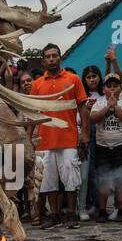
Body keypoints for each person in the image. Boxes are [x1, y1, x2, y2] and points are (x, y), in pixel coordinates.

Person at [30, 42, 85, 228]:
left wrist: (85, 134)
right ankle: (54, 215)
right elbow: (32, 114)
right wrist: (28, 138)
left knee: (71, 179)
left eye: (55, 55)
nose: (51, 59)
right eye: (48, 56)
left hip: (68, 139)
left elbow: (83, 108)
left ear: (60, 57)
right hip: (44, 141)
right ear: (43, 61)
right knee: (47, 182)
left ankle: (72, 214)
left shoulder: (73, 79)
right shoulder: (37, 85)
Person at [90, 73, 122, 221]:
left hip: (121, 147)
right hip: (102, 147)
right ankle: (102, 211)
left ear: (121, 89)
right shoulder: (98, 103)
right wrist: (107, 106)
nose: (112, 89)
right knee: (103, 179)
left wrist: (116, 107)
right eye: (109, 86)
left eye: (116, 86)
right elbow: (93, 118)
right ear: (103, 89)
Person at [77, 64, 103, 220]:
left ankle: (100, 206)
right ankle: (87, 204)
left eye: (94, 76)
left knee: (101, 171)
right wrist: (85, 109)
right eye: (88, 77)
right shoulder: (82, 95)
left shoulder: (105, 93)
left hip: (105, 135)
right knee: (88, 172)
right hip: (88, 135)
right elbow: (78, 118)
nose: (92, 79)